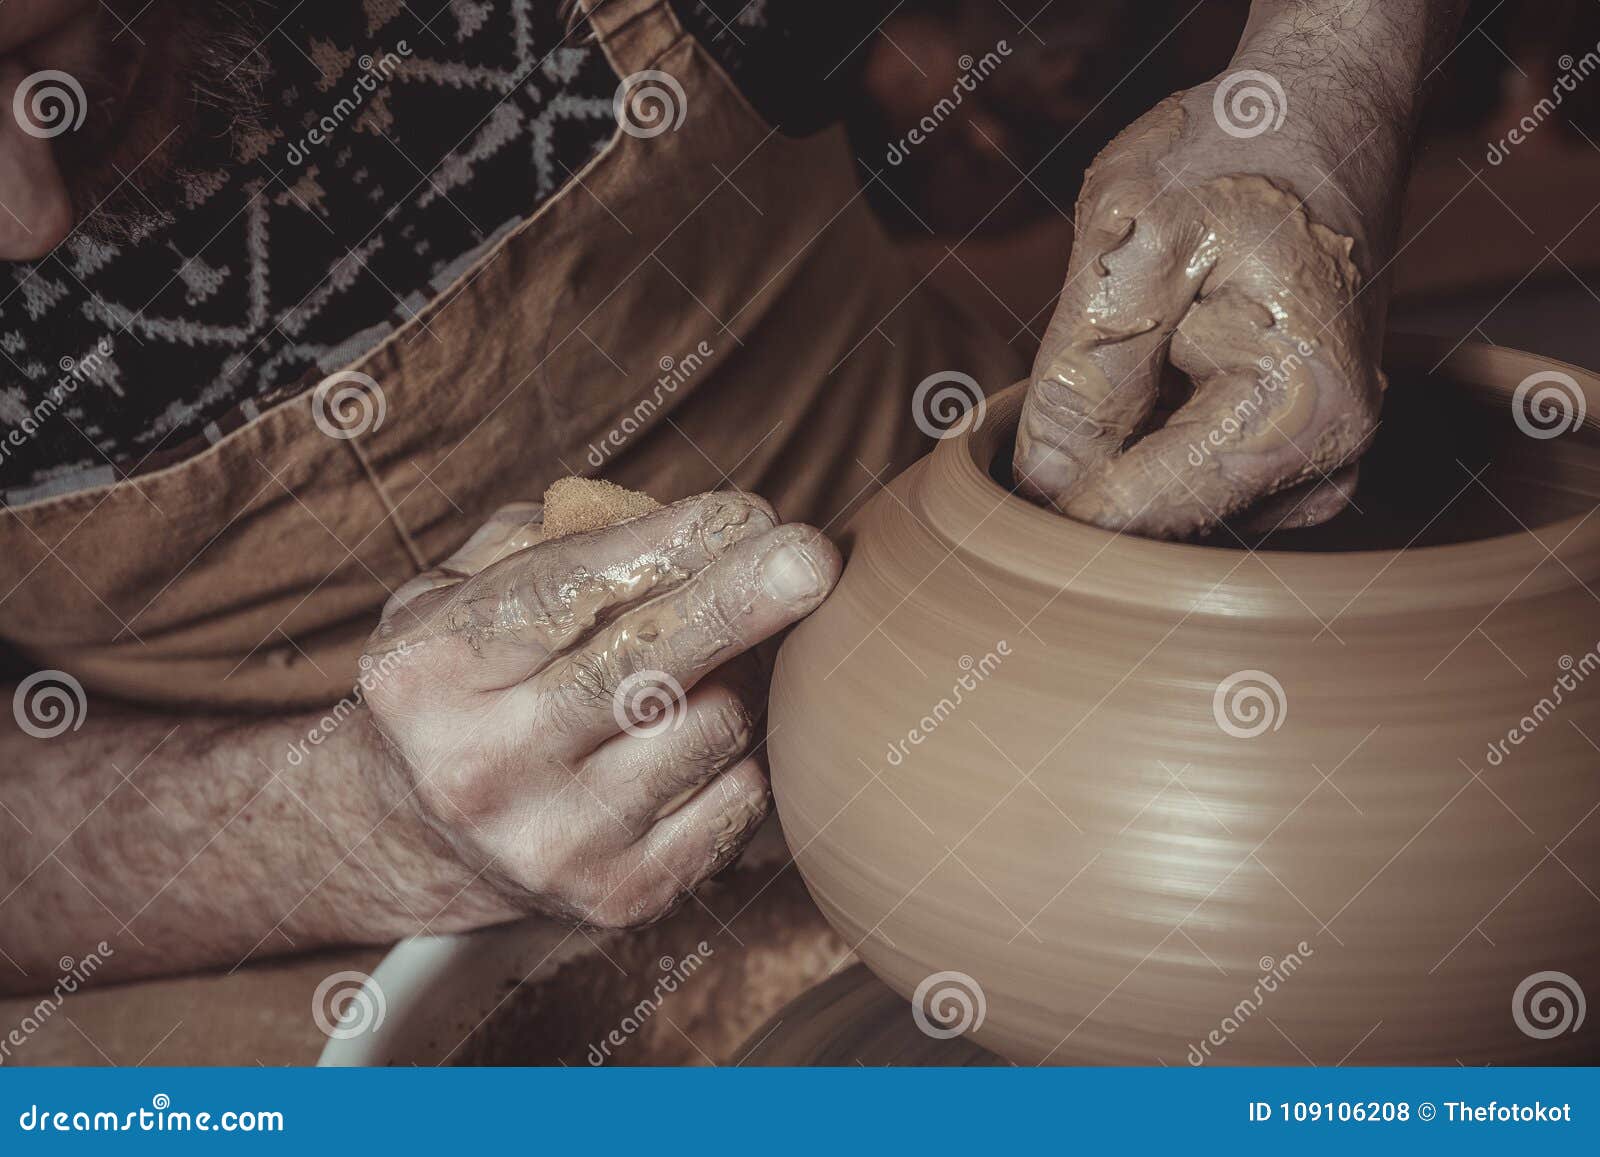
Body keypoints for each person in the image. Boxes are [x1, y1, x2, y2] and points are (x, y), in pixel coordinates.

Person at [0, 0, 1466, 992]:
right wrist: (355, 826)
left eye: (37, 47)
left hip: (1000, 628)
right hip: (268, 903)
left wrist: (1323, 86)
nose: (31, 215)